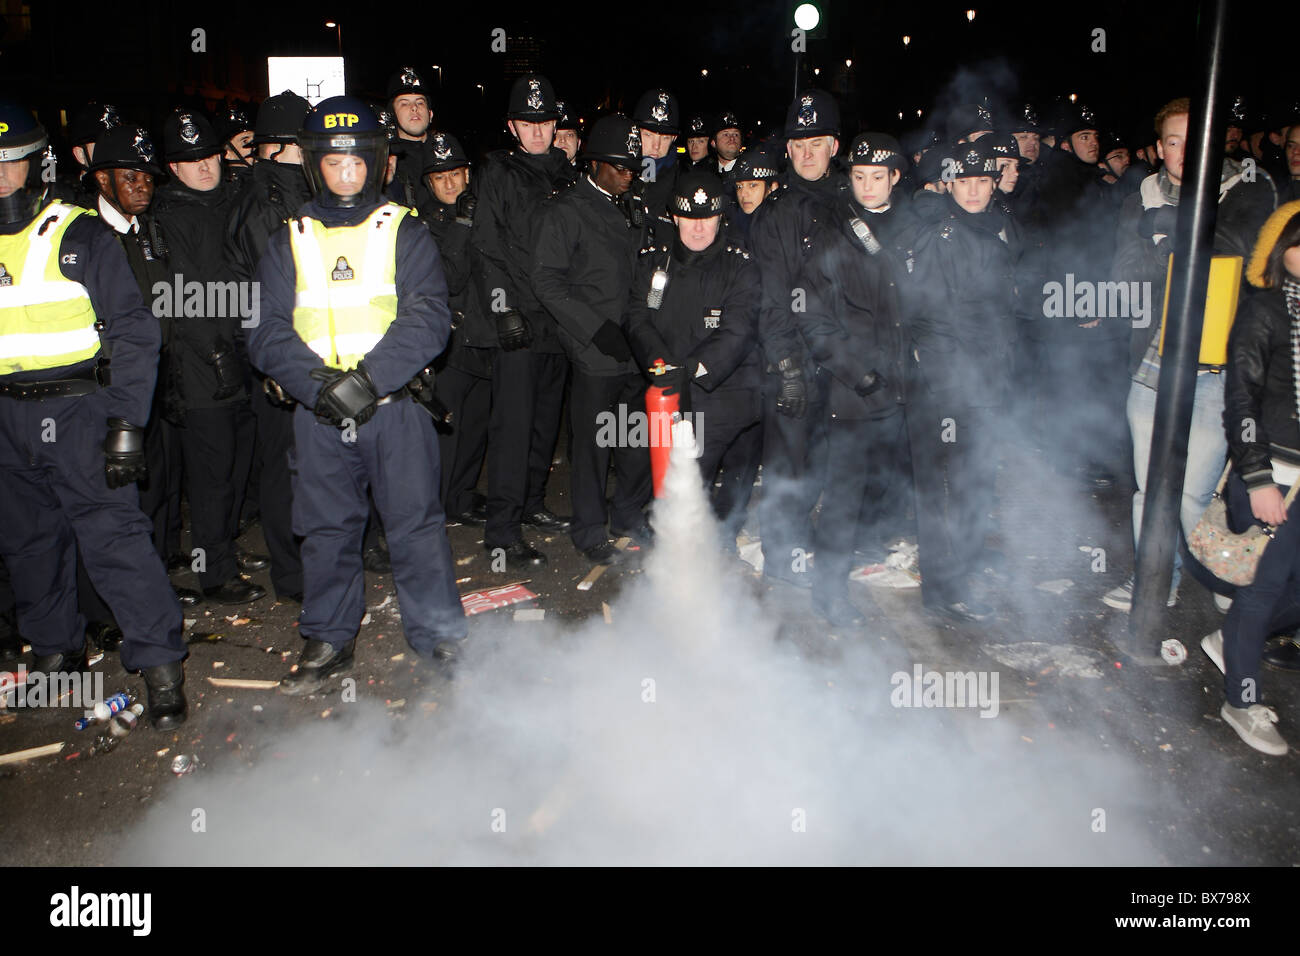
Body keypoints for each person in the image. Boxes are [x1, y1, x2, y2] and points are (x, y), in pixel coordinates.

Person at [247, 97, 467, 694]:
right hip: (319, 413)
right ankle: (328, 636)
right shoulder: (287, 238)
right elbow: (264, 328)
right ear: (316, 164)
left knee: (415, 525)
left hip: (393, 407)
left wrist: (367, 380)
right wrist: (316, 385)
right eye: (334, 163)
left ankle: (438, 631)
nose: (346, 174)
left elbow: (428, 318)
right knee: (326, 529)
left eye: (357, 163)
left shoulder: (404, 230)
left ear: (378, 162)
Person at [0, 103, 188, 727]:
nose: (2, 178)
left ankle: (159, 664)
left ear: (35, 164)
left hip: (78, 410)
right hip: (6, 417)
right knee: (30, 544)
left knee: (116, 540)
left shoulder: (77, 232)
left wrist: (127, 423)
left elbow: (136, 333)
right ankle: (56, 653)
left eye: (12, 164)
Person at [1106, 96, 1277, 612]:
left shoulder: (1248, 187)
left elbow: (1230, 248)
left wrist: (1165, 230)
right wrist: (1163, 239)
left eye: (1194, 140)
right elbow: (1127, 273)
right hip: (1153, 360)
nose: (1183, 152)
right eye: (1173, 142)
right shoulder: (1142, 194)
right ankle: (1155, 580)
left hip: (1215, 364)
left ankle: (1227, 577)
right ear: (1159, 148)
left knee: (1189, 493)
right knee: (1146, 488)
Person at [153, 109, 267, 605]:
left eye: (207, 155)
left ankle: (225, 548)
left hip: (246, 350)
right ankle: (213, 571)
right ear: (173, 168)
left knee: (241, 463)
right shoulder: (169, 214)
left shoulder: (234, 200)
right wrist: (214, 351)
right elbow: (176, 295)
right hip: (202, 364)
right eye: (188, 160)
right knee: (212, 473)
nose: (202, 167)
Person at [903, 138, 1019, 622]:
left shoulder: (1000, 227)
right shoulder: (943, 236)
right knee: (940, 486)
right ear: (950, 184)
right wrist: (950, 385)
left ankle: (963, 576)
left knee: (977, 483)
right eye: (964, 182)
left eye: (982, 181)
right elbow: (927, 317)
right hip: (946, 382)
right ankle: (942, 587)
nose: (973, 191)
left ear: (995, 183)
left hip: (986, 377)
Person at [799, 133, 912, 626]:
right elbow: (813, 318)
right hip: (853, 388)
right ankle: (827, 593)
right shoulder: (834, 234)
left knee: (889, 483)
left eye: (877, 177)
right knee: (843, 491)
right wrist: (857, 374)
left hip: (904, 384)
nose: (867, 187)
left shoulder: (912, 230)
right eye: (859, 177)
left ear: (895, 179)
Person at [1202, 201, 1300, 754]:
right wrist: (1259, 478)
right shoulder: (1265, 311)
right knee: (1263, 590)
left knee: (1280, 595)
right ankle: (1241, 701)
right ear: (1282, 250)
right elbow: (1241, 400)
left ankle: (1235, 632)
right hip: (1273, 475)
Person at [533, 114, 653, 563]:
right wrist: (594, 330)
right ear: (595, 163)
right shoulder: (567, 210)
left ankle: (627, 516)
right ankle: (588, 530)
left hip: (633, 348)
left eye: (633, 168)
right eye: (621, 167)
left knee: (633, 441)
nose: (629, 175)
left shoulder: (631, 205)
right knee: (593, 447)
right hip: (595, 352)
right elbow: (545, 281)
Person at [471, 73, 576, 569]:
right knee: (512, 428)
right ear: (512, 125)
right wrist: (504, 308)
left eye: (545, 121)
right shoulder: (498, 172)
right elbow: (487, 246)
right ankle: (503, 529)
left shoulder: (568, 173)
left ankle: (532, 504)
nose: (537, 131)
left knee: (543, 424)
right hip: (518, 320)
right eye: (528, 122)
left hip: (559, 321)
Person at [624, 171, 761, 549]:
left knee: (719, 482)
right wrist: (662, 365)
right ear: (674, 217)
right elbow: (637, 317)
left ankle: (717, 547)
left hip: (725, 391)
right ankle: (680, 557)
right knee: (676, 485)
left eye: (709, 218)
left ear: (721, 217)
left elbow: (738, 329)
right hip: (669, 386)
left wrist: (692, 370)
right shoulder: (654, 261)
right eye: (690, 218)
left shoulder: (741, 265)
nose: (699, 229)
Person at [747, 89, 842, 588]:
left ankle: (806, 541)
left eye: (817, 142)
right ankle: (782, 556)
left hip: (839, 357)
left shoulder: (850, 200)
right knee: (788, 460)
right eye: (798, 143)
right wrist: (785, 364)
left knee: (823, 458)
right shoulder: (776, 213)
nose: (807, 152)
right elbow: (771, 295)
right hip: (794, 357)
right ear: (788, 150)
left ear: (833, 146)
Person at [225, 90, 314, 604]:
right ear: (280, 147)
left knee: (307, 466)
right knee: (285, 470)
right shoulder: (264, 204)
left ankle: (309, 566)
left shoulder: (285, 195)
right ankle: (293, 575)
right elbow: (275, 291)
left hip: (300, 352)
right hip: (280, 359)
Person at [416, 132, 493, 526]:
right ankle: (439, 503)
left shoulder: (484, 211)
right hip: (451, 343)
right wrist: (462, 223)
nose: (449, 183)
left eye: (456, 173)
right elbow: (451, 278)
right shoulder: (423, 224)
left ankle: (461, 498)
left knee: (476, 428)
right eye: (439, 176)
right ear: (429, 183)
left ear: (468, 174)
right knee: (448, 430)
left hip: (485, 337)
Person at [385, 66, 434, 207]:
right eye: (404, 104)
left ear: (430, 114)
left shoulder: (451, 151)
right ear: (392, 115)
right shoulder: (386, 160)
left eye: (420, 102)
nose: (414, 108)